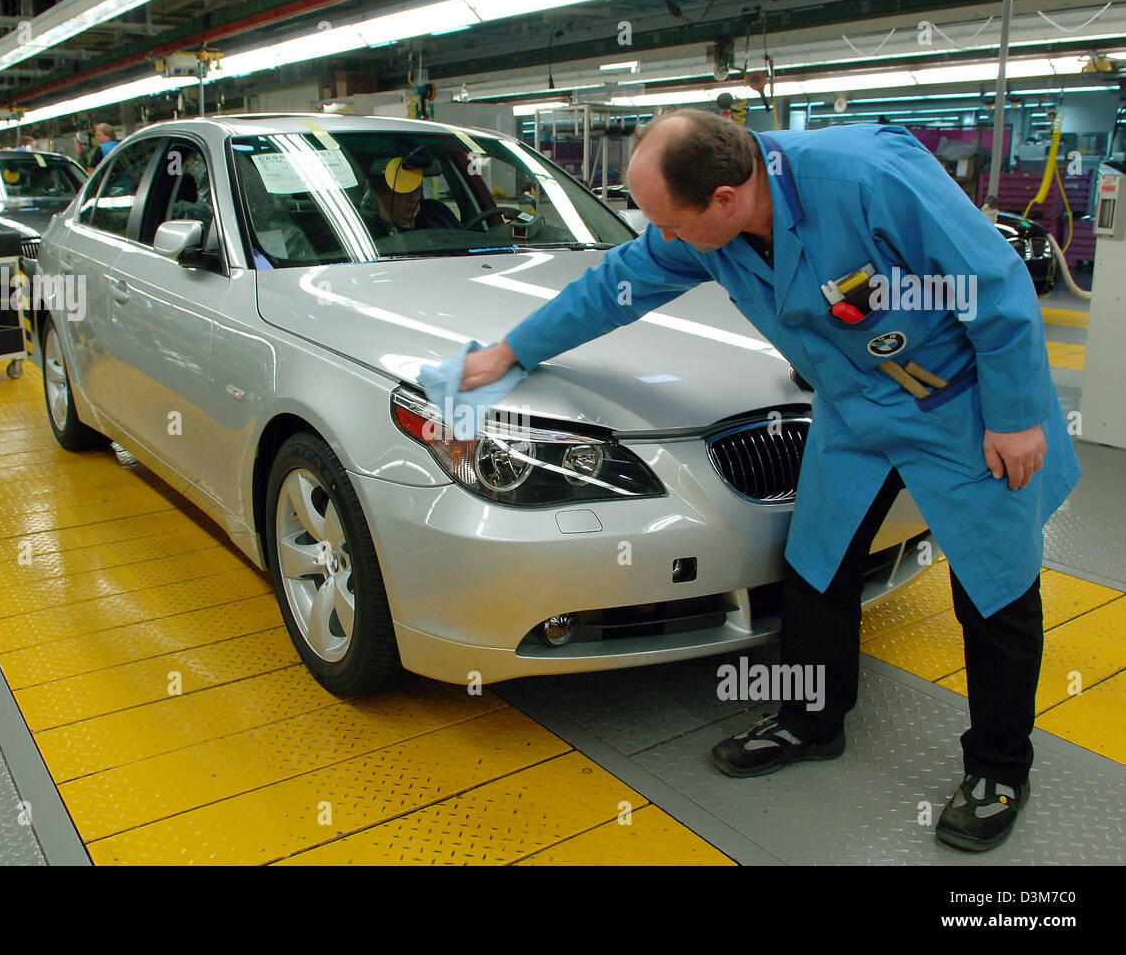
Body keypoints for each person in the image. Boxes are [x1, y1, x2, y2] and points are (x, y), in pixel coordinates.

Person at [459, 109, 1079, 852]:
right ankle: (809, 719)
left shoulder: (866, 178)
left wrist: (1013, 415)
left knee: (995, 587)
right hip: (853, 408)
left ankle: (1000, 769)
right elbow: (616, 285)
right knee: (816, 566)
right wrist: (510, 352)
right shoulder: (710, 232)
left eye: (672, 223)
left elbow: (994, 282)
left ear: (725, 199)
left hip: (962, 403)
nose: (667, 238)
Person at [359, 150, 460, 235]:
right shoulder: (365, 232)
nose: (414, 198)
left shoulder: (437, 211)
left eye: (416, 189)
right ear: (379, 194)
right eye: (404, 193)